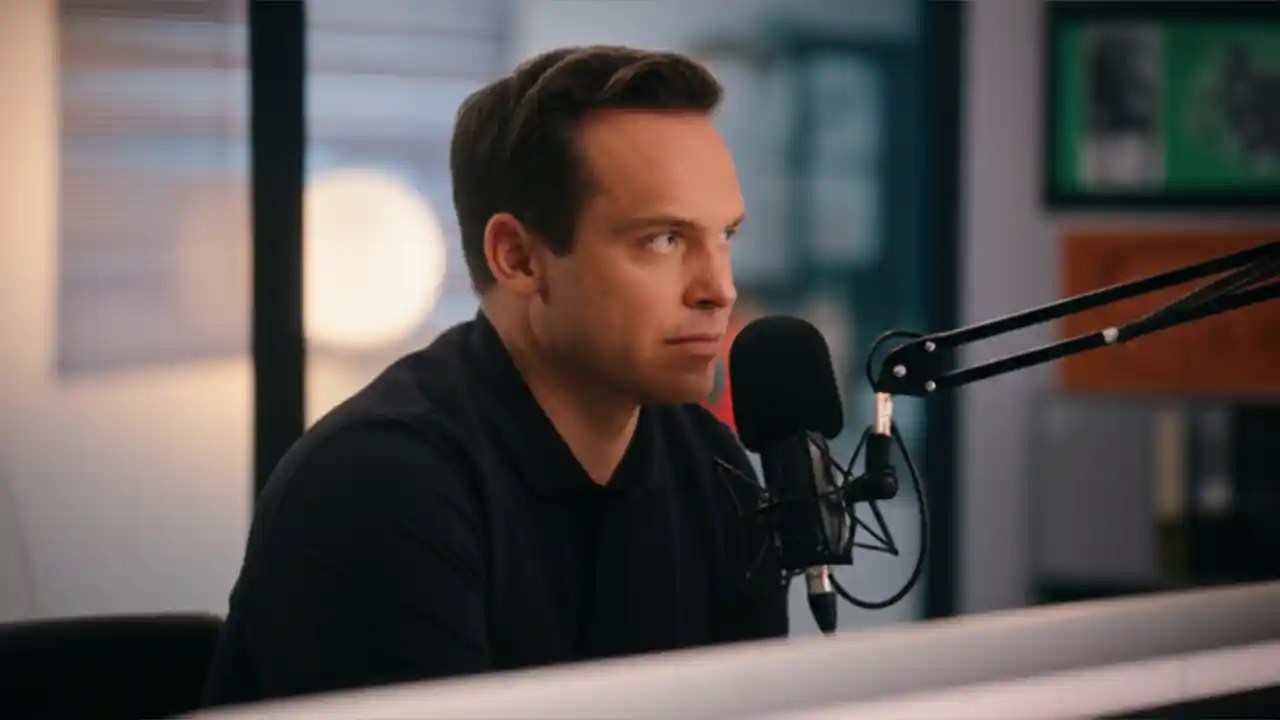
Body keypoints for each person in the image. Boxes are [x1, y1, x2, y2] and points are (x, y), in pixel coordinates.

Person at [201, 45, 788, 708]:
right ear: (518, 258)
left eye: (725, 237)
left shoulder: (713, 465)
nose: (720, 289)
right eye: (664, 240)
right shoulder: (378, 483)